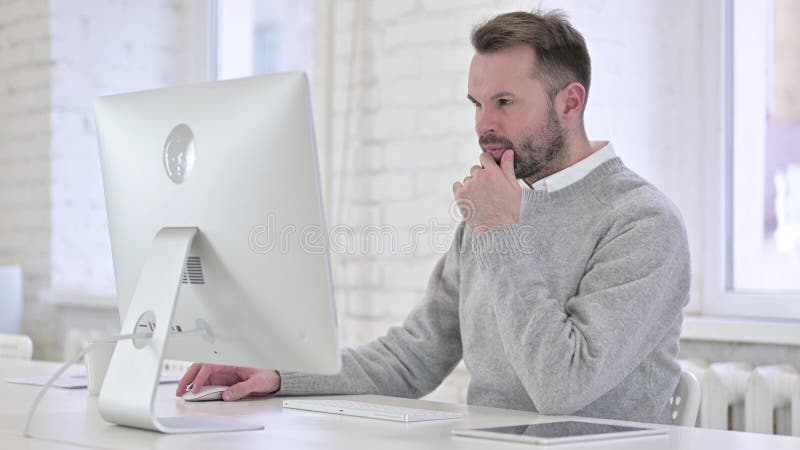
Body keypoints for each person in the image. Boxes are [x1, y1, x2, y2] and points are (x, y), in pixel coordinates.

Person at [176, 10, 690, 424]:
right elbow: (412, 359)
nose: (483, 125)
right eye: (477, 104)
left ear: (570, 103)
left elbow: (563, 386)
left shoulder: (641, 223)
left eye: (505, 102)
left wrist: (500, 234)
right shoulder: (493, 214)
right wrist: (282, 374)